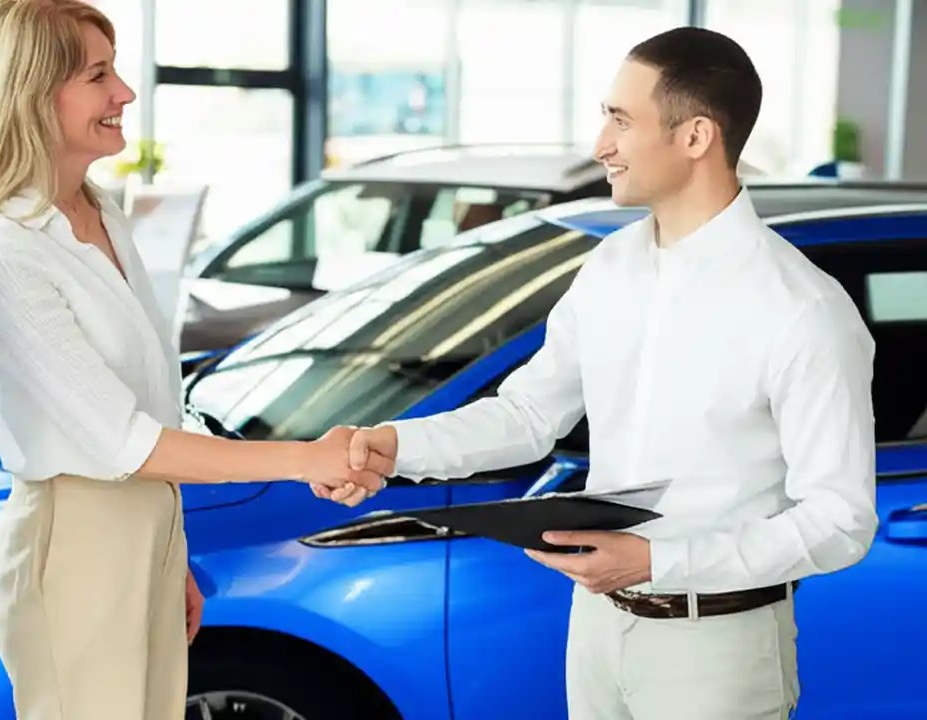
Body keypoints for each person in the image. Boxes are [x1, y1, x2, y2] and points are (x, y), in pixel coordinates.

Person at [332, 26, 877, 719]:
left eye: (621, 120)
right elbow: (529, 414)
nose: (601, 147)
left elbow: (839, 520)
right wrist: (397, 446)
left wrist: (657, 563)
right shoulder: (610, 267)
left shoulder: (802, 311)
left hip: (716, 650)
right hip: (596, 625)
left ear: (696, 136)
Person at [0, 2, 388, 718]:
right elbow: (127, 441)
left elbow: (155, 399)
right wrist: (309, 459)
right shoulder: (7, 259)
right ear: (34, 93)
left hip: (144, 530)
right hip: (76, 552)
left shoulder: (103, 214)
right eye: (99, 75)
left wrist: (169, 548)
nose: (123, 92)